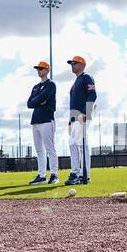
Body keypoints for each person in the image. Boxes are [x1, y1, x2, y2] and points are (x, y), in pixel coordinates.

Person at [65, 55, 96, 185]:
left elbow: (93, 95)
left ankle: (78, 173)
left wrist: (85, 112)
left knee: (75, 143)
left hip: (82, 115)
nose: (72, 65)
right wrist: (70, 120)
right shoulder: (76, 81)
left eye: (75, 63)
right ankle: (82, 174)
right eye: (71, 64)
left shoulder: (86, 77)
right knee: (78, 144)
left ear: (82, 65)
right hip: (74, 117)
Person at [26, 60, 58, 185]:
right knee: (39, 150)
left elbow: (42, 97)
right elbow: (29, 103)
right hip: (36, 120)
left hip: (47, 119)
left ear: (47, 70)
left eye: (41, 69)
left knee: (50, 149)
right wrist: (39, 101)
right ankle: (42, 175)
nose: (39, 71)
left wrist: (38, 101)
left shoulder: (51, 84)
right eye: (38, 69)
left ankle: (54, 175)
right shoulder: (35, 87)